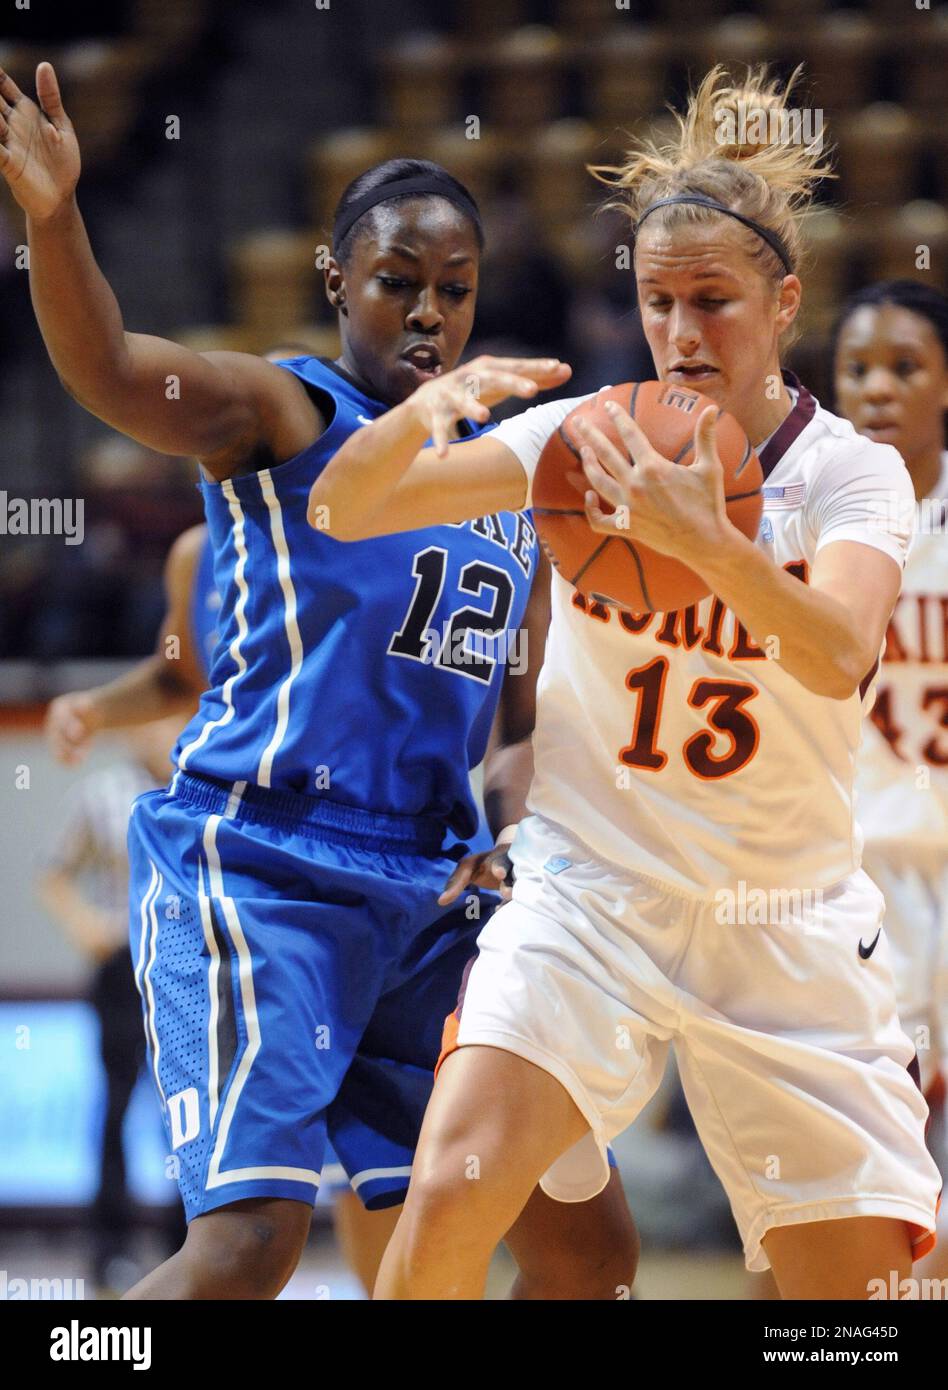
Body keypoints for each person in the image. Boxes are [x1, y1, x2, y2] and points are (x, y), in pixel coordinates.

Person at [1, 60, 639, 1299]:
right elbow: (120, 374)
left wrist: (514, 831)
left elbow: (514, 725)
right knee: (250, 1249)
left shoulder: (507, 480)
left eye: (454, 293)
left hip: (435, 889)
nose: (426, 316)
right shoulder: (290, 412)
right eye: (396, 283)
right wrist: (56, 218)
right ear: (335, 279)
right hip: (267, 866)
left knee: (587, 1246)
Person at [313, 64, 942, 1301]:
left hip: (783, 921)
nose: (683, 334)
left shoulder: (852, 476)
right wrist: (424, 410)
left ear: (785, 303)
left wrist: (702, 538)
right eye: (660, 302)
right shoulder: (586, 435)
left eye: (714, 301)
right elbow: (343, 505)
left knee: (861, 1312)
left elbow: (838, 648)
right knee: (447, 1196)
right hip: (591, 898)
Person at [834, 278, 948, 1287]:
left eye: (904, 367)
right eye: (857, 369)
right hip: (861, 870)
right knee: (852, 1173)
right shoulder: (822, 522)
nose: (878, 388)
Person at [36, 719, 188, 1293]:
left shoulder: (198, 790)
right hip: (123, 965)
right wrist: (87, 927)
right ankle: (110, 1248)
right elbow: (54, 874)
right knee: (118, 1105)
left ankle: (188, 1241)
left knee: (188, 1110)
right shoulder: (101, 793)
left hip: (182, 966)